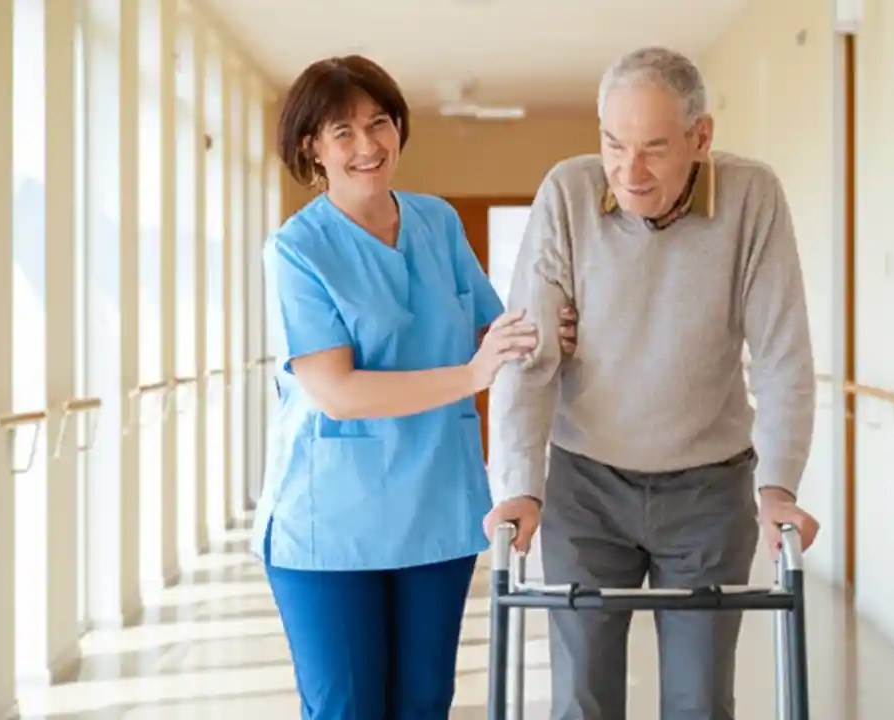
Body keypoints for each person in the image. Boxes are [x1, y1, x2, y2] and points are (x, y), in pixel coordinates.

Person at [483, 47, 822, 720]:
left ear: (702, 138)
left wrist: (778, 484)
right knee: (582, 700)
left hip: (708, 487)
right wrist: (521, 484)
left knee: (699, 700)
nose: (629, 172)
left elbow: (783, 352)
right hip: (586, 487)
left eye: (654, 150)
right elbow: (530, 352)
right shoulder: (568, 193)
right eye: (613, 143)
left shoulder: (752, 198)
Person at [252, 55, 573, 719]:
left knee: (426, 702)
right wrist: (471, 374)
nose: (367, 145)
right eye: (343, 131)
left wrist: (546, 328)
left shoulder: (436, 222)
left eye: (379, 123)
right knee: (348, 707)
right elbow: (335, 391)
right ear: (311, 147)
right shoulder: (297, 250)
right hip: (331, 526)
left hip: (435, 511)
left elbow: (493, 330)